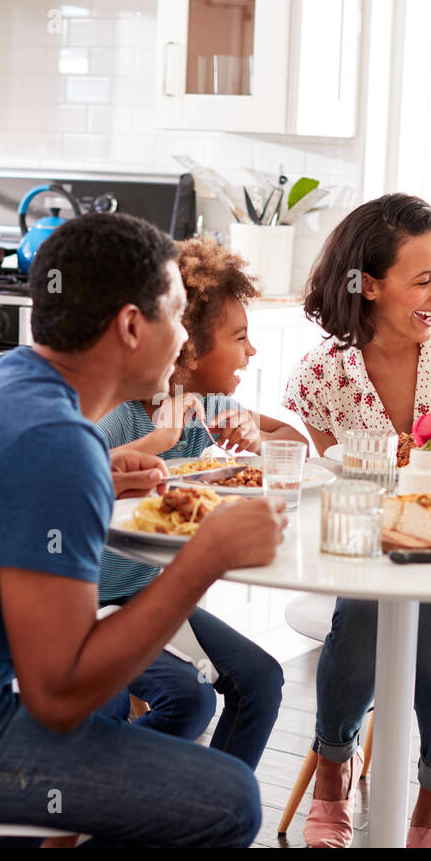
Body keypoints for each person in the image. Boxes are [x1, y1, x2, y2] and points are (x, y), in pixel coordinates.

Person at [0, 212, 287, 847]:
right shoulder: (54, 444)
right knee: (230, 802)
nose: (185, 337)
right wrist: (201, 560)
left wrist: (95, 469)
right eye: (177, 315)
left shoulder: (2, 383)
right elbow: (60, 694)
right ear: (130, 326)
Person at [282, 193, 431, 848]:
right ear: (367, 286)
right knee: (370, 602)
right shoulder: (322, 378)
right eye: (422, 279)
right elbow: (336, 494)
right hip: (375, 559)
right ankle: (334, 772)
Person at [95, 237, 305, 768]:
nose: (251, 351)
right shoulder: (124, 413)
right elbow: (78, 474)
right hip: (92, 604)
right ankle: (138, 794)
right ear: (187, 345)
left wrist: (258, 436)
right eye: (239, 337)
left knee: (261, 679)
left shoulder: (210, 404)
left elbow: (297, 447)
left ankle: (204, 812)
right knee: (184, 700)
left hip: (152, 596)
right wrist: (158, 442)